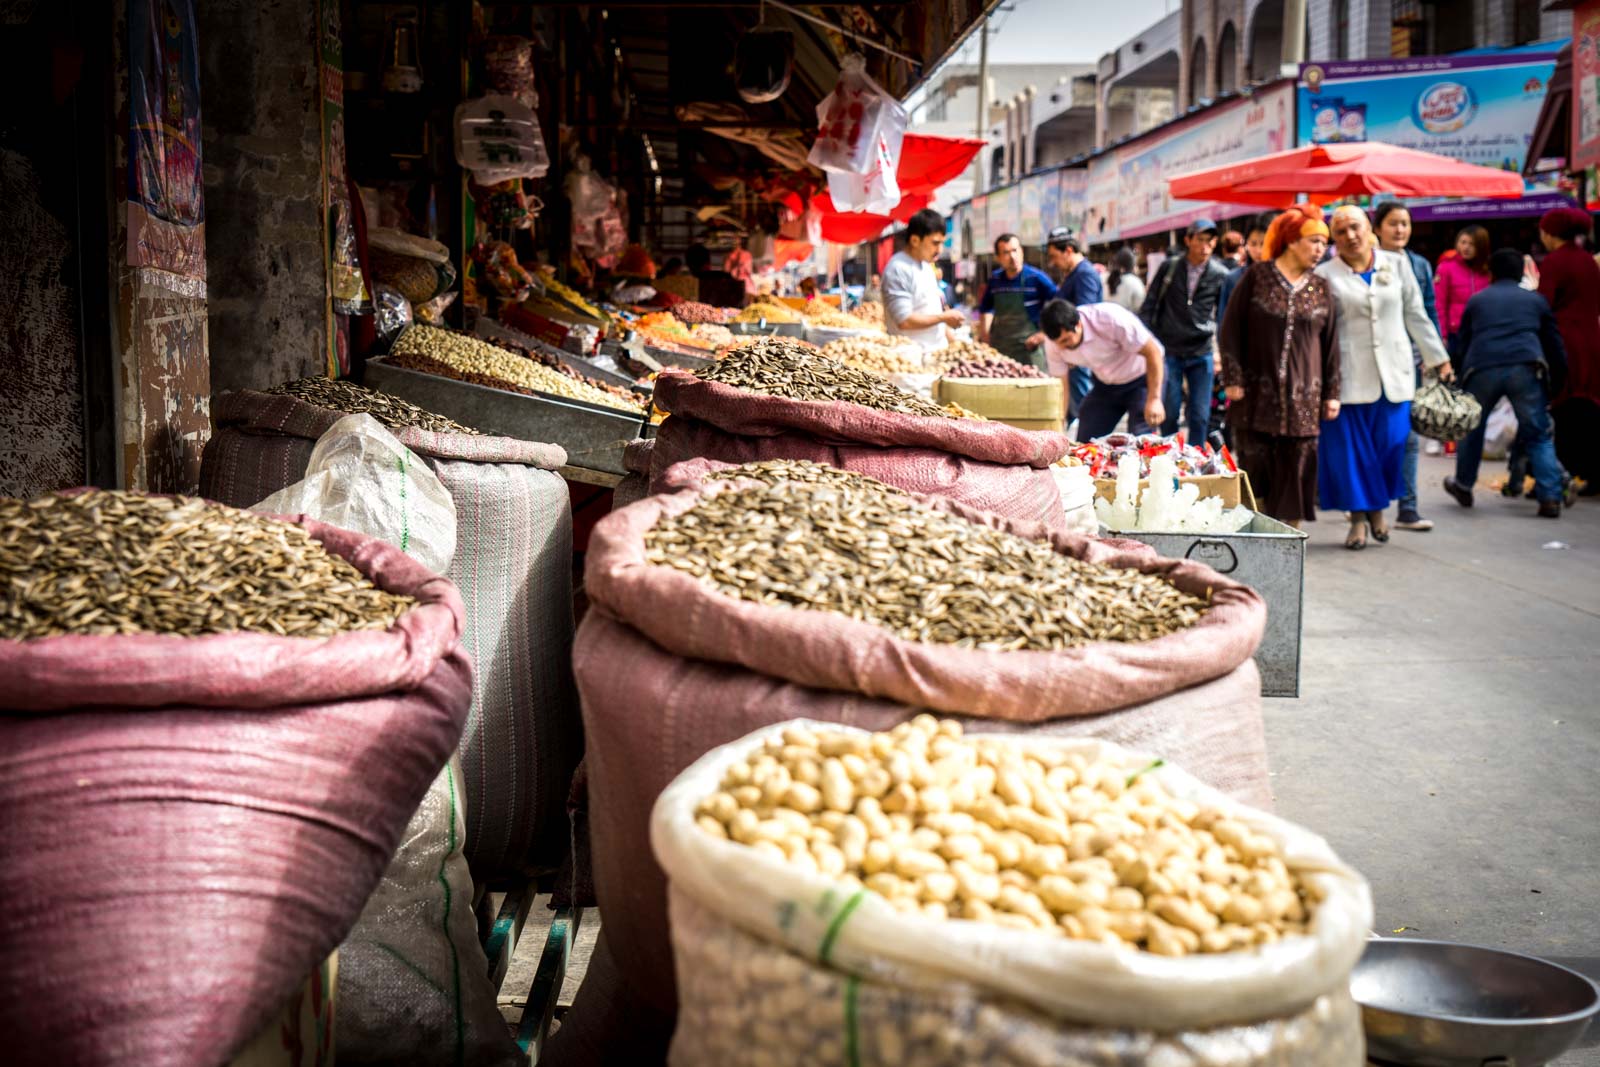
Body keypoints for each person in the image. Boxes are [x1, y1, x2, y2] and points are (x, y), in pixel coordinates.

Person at [1317, 205, 1453, 549]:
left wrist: (1439, 358)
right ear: (1334, 239)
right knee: (1350, 454)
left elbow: (1416, 314)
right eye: (1341, 231)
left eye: (1356, 228)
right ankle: (1360, 520)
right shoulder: (1324, 275)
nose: (1350, 236)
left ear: (1369, 229)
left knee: (1389, 448)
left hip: (1395, 374)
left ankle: (1378, 510)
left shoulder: (1398, 264)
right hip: (1347, 378)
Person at [1218, 207, 1340, 528]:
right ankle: (1258, 534)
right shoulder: (1256, 277)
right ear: (1291, 241)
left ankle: (1288, 541)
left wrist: (1332, 393)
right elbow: (1230, 331)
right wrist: (1233, 378)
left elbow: (1331, 345)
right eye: (1313, 240)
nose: (1320, 249)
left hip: (1305, 398)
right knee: (1256, 468)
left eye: (1323, 243)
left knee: (1296, 472)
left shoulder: (1321, 287)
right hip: (1255, 394)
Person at [1441, 249, 1568, 518]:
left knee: (1472, 429)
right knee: (1537, 434)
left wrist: (1455, 375)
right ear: (1522, 272)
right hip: (1526, 367)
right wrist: (1556, 380)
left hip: (1481, 368)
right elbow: (1554, 344)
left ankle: (1463, 485)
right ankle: (1551, 497)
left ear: (1492, 272)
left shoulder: (1478, 301)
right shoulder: (1536, 301)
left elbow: (1462, 343)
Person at [1373, 201, 1441, 532]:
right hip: (1370, 364)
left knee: (1408, 436)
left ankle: (1408, 507)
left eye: (1405, 223)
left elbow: (1427, 311)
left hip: (1408, 363)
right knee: (1374, 435)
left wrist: (1436, 356)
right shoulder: (1363, 261)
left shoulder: (1420, 266)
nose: (1400, 230)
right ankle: (1367, 503)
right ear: (1378, 228)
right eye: (1393, 223)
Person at [1139, 217, 1230, 443]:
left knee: (1200, 416)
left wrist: (1221, 352)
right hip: (1169, 349)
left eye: (1210, 241)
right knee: (1169, 412)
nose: (1205, 246)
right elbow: (1150, 304)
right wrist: (1145, 342)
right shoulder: (1170, 267)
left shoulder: (1220, 274)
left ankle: (1195, 460)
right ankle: (1170, 458)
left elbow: (1223, 316)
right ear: (1188, 240)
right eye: (1200, 240)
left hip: (1202, 351)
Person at [1536, 206, 1600, 493]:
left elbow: (1543, 305)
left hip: (1563, 343)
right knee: (1588, 408)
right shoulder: (1588, 260)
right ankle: (1592, 473)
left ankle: (1561, 474)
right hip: (1592, 340)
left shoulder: (1554, 262)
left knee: (1562, 411)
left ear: (1550, 233)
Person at [1041, 299, 1165, 440]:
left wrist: (1155, 398)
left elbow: (1153, 352)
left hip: (1142, 377)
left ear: (1078, 325)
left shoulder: (1110, 319)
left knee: (1141, 440)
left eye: (1066, 340)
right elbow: (1061, 385)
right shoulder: (1052, 344)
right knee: (1086, 439)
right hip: (1106, 384)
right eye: (1058, 343)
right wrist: (1060, 420)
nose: (1062, 347)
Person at [883, 208, 965, 351]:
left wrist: (956, 345)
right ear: (915, 240)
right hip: (911, 359)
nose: (940, 250)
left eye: (942, 243)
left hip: (935, 354)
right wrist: (944, 317)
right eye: (935, 243)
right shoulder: (898, 268)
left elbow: (933, 312)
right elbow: (904, 321)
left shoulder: (926, 267)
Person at [1046, 228, 1104, 416]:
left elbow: (1085, 314)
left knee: (1082, 407)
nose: (1053, 262)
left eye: (1055, 256)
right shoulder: (1073, 275)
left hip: (1078, 353)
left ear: (1069, 250)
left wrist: (1073, 348)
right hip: (1071, 350)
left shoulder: (1084, 275)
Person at [978, 233, 1057, 368]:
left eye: (1015, 250)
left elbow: (1058, 305)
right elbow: (985, 309)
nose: (1012, 256)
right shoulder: (995, 281)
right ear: (998, 257)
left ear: (1021, 251)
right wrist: (985, 338)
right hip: (1001, 350)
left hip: (1030, 350)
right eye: (1006, 253)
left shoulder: (1037, 278)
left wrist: (1043, 334)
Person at [1435, 224, 1491, 350]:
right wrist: (1441, 335)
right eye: (1463, 242)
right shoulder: (1446, 268)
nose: (1466, 247)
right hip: (1456, 333)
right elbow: (1439, 304)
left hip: (1483, 329)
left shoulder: (1488, 270)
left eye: (1472, 244)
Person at [1105, 248, 1146, 314]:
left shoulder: (1108, 279)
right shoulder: (1134, 282)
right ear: (1133, 265)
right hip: (1129, 321)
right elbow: (1141, 307)